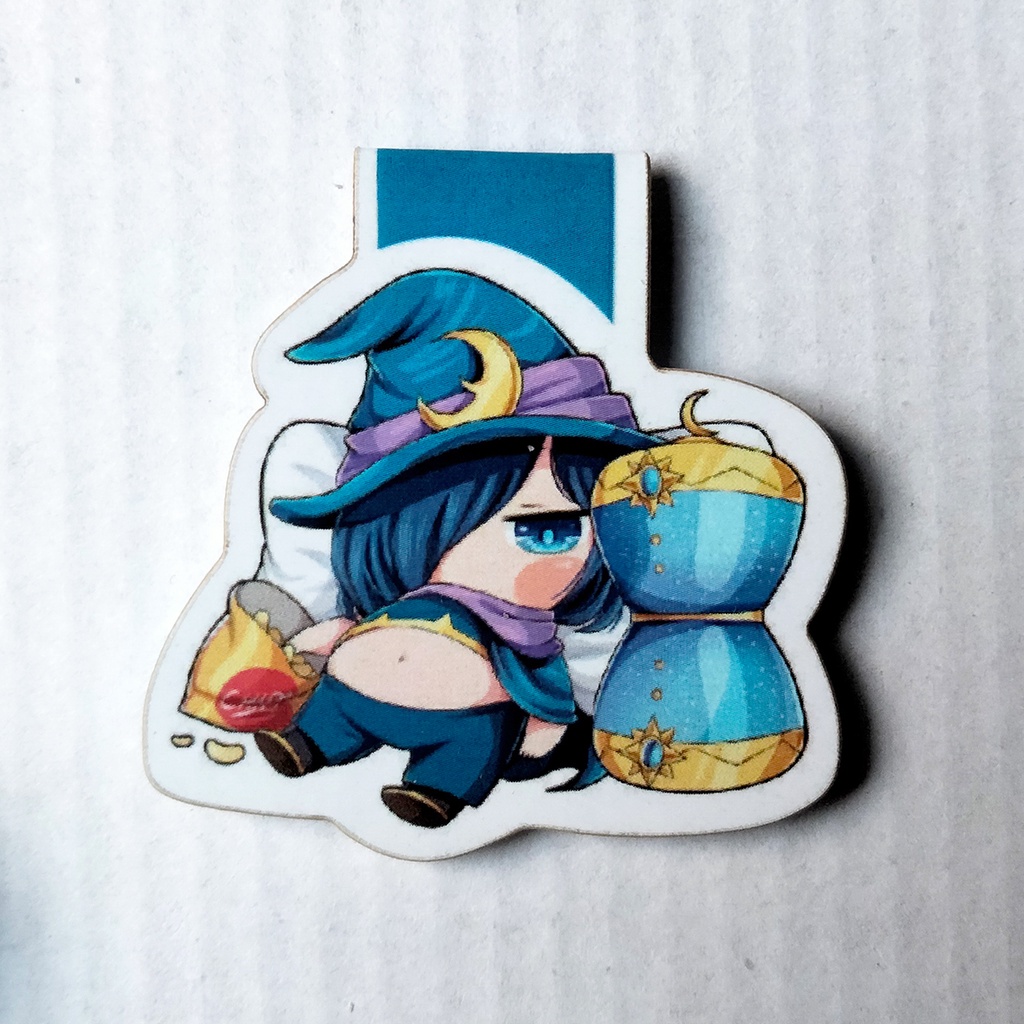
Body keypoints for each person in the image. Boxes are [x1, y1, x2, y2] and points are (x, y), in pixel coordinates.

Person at [254, 270, 655, 827]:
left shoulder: (525, 637)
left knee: (470, 747)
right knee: (331, 719)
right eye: (544, 532)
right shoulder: (387, 605)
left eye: (559, 532)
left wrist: (542, 737)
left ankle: (437, 789)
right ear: (402, 527)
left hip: (467, 723)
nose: (578, 557)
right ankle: (310, 743)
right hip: (350, 695)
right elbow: (330, 632)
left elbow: (550, 698)